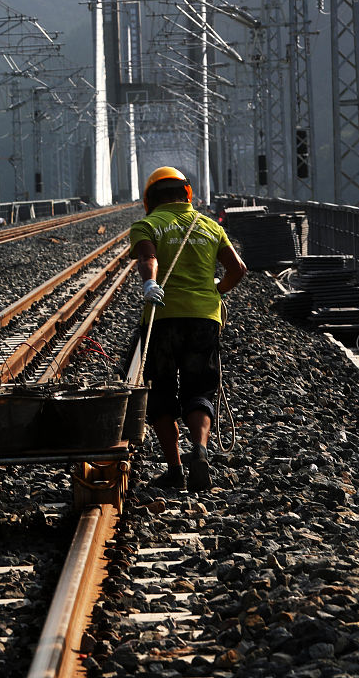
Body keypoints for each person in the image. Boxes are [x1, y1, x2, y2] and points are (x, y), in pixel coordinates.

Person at [128, 166, 247, 492]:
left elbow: (147, 258)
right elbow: (238, 269)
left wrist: (150, 282)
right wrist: (216, 292)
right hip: (203, 320)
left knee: (161, 393)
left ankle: (176, 470)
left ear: (149, 199)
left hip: (162, 319)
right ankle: (200, 451)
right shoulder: (209, 226)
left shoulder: (147, 224)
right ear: (187, 194)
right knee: (199, 389)